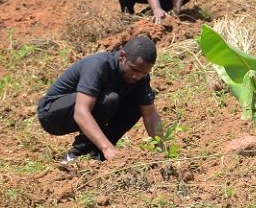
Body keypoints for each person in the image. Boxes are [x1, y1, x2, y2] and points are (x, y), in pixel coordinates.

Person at [38, 35, 164, 163]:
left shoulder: (140, 77)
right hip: (52, 114)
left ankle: (96, 155)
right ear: (122, 56)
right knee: (109, 99)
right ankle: (75, 157)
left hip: (86, 108)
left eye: (143, 73)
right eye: (133, 69)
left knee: (137, 104)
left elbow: (151, 115)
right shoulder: (99, 65)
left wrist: (162, 152)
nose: (137, 76)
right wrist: (107, 148)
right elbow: (81, 112)